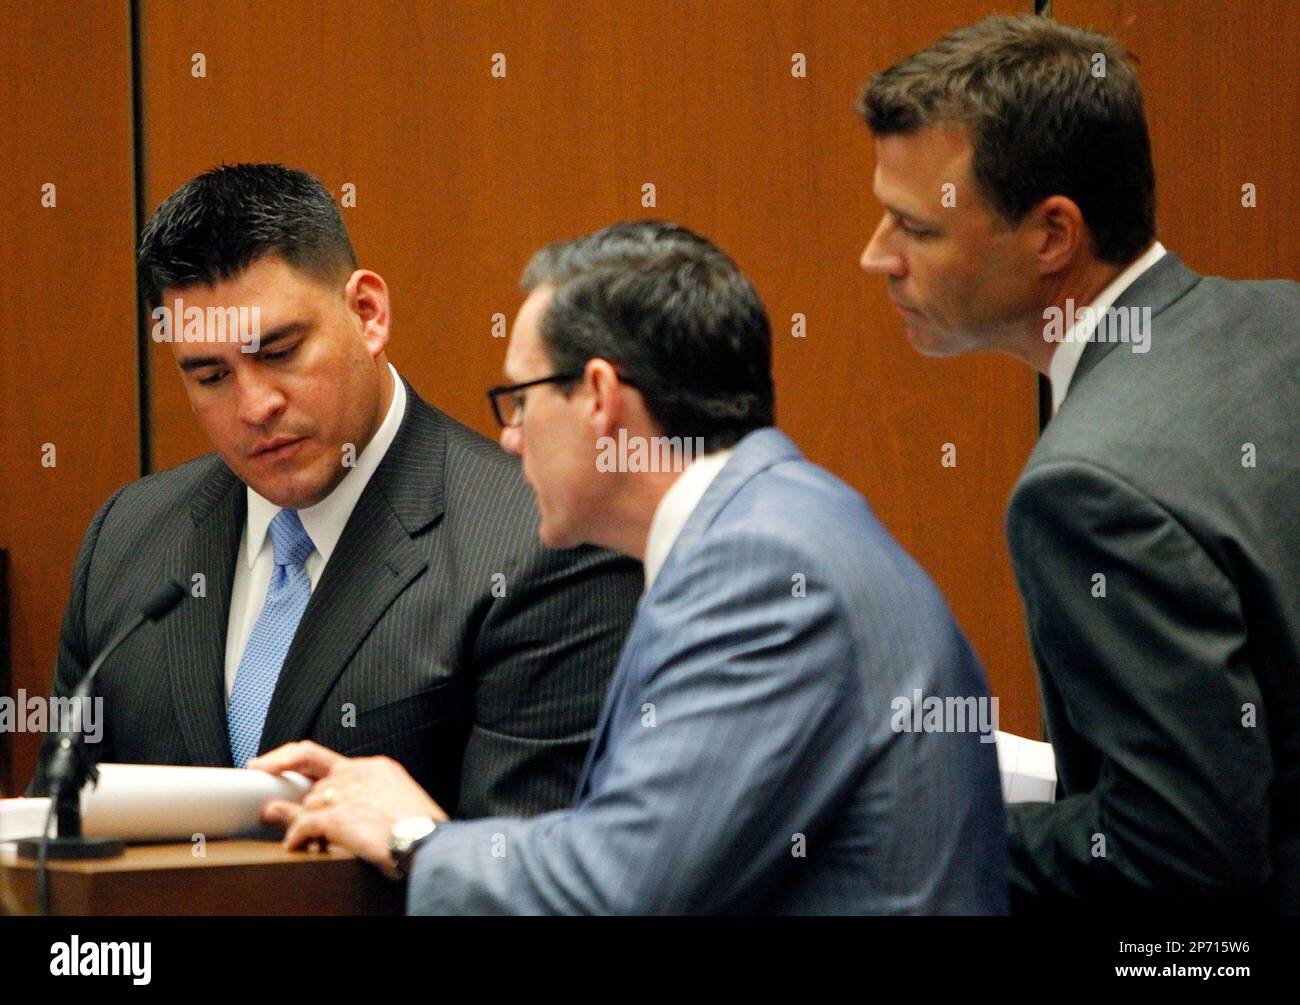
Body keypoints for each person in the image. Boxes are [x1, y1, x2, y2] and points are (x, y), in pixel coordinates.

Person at [253, 220, 1008, 915]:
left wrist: (412, 836)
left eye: (518, 400)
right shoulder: (779, 520)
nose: (510, 440)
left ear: (603, 399)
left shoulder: (760, 568)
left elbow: (622, 890)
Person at [31, 164, 642, 819]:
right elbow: (56, 842)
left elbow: (526, 876)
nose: (255, 404)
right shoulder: (128, 540)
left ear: (368, 313)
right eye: (210, 376)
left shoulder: (537, 546)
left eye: (280, 351)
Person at [857, 15, 1300, 911]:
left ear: (1053, 234)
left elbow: (1178, 857)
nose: (876, 257)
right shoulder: (1279, 318)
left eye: (916, 228)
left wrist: (905, 837)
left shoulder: (1088, 487)